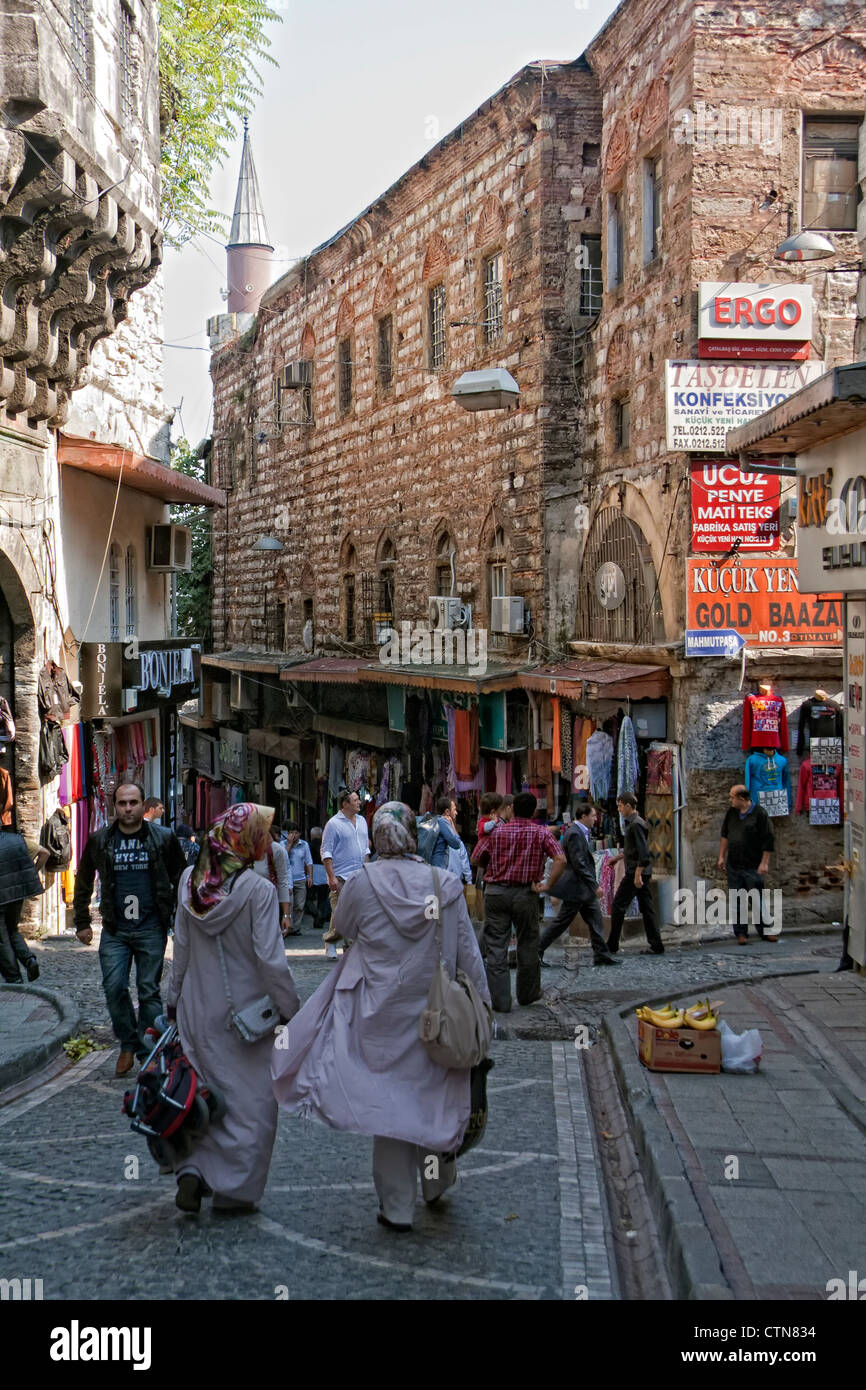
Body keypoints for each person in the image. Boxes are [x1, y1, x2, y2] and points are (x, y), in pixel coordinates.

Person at [272, 802, 490, 1232]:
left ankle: (397, 1208)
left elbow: (346, 927)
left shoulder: (361, 884)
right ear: (414, 834)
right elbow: (467, 952)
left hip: (377, 1010)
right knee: (432, 1099)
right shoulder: (443, 884)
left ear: (376, 836)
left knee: (393, 1108)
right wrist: (483, 1006)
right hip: (436, 1010)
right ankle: (435, 1183)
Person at [167, 803, 300, 1215]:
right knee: (249, 1104)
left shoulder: (190, 881)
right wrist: (291, 1009)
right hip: (247, 1018)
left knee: (200, 1093)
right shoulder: (258, 891)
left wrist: (172, 1001)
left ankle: (191, 1170)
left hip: (196, 1007)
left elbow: (182, 948)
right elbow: (270, 960)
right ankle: (234, 1191)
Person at [73, 781, 187, 1076]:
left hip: (151, 926)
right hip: (114, 928)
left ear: (142, 805)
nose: (127, 808)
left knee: (148, 991)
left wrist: (182, 916)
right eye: (122, 803)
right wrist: (82, 922)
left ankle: (150, 1053)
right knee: (114, 988)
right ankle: (128, 1042)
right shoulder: (100, 840)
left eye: (133, 802)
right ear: (115, 806)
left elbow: (182, 876)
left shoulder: (163, 838)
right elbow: (83, 879)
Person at [481, 791, 564, 1012]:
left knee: (496, 946)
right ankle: (527, 995)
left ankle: (500, 1000)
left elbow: (476, 856)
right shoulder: (541, 833)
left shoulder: (497, 832)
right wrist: (547, 884)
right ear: (534, 810)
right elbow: (560, 859)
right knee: (527, 943)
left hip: (496, 893)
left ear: (513, 809)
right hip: (525, 894)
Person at [535, 801, 620, 968]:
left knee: (595, 919)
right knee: (562, 922)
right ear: (584, 816)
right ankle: (537, 949)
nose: (596, 819)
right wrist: (594, 885)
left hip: (582, 888)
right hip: (576, 887)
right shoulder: (575, 833)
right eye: (593, 815)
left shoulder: (579, 832)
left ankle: (601, 954)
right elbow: (579, 862)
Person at [717, 784, 777, 943]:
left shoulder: (759, 814)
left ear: (742, 799)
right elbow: (725, 835)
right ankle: (741, 933)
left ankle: (765, 930)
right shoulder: (731, 813)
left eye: (732, 797)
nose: (730, 800)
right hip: (734, 864)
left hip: (753, 864)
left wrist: (764, 863)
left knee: (756, 898)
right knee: (737, 899)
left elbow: (768, 839)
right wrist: (721, 856)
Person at [607, 793, 664, 956]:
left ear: (627, 806)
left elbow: (644, 853)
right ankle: (656, 944)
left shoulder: (636, 825)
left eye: (619, 806)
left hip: (636, 872)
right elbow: (634, 849)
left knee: (618, 906)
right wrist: (618, 857)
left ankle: (612, 945)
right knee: (647, 908)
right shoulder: (634, 824)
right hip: (638, 871)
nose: (618, 809)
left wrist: (638, 874)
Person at [321, 789, 369, 959]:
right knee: (340, 913)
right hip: (341, 875)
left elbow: (366, 849)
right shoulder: (333, 824)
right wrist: (331, 877)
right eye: (355, 800)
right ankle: (332, 942)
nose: (359, 802)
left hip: (359, 875)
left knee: (356, 913)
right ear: (345, 804)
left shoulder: (362, 821)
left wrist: (367, 871)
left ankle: (349, 946)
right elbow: (326, 852)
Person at [0, 830, 45, 982]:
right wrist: (33, 872)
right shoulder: (18, 840)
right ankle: (29, 960)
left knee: (2, 938)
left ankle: (14, 977)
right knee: (12, 930)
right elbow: (44, 852)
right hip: (16, 894)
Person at [253, 825, 293, 937]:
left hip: (267, 906)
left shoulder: (276, 850)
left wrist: (286, 915)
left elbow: (282, 881)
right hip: (243, 907)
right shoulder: (239, 849)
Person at [417, 795, 464, 868]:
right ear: (447, 811)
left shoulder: (435, 819)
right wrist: (452, 825)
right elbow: (456, 844)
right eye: (454, 810)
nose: (456, 813)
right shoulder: (442, 821)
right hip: (438, 866)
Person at [283, 822, 313, 929]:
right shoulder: (282, 844)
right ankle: (288, 927)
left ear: (300, 834)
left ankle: (296, 927)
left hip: (300, 879)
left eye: (296, 833)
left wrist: (310, 876)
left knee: (299, 905)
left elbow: (309, 861)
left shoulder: (304, 845)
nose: (294, 835)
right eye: (291, 832)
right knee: (289, 905)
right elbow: (283, 858)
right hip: (287, 880)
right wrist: (289, 845)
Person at [307, 827, 331, 933]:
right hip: (324, 872)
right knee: (322, 898)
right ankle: (319, 919)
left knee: (308, 899)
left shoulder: (308, 845)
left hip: (313, 873)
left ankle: (316, 914)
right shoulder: (324, 845)